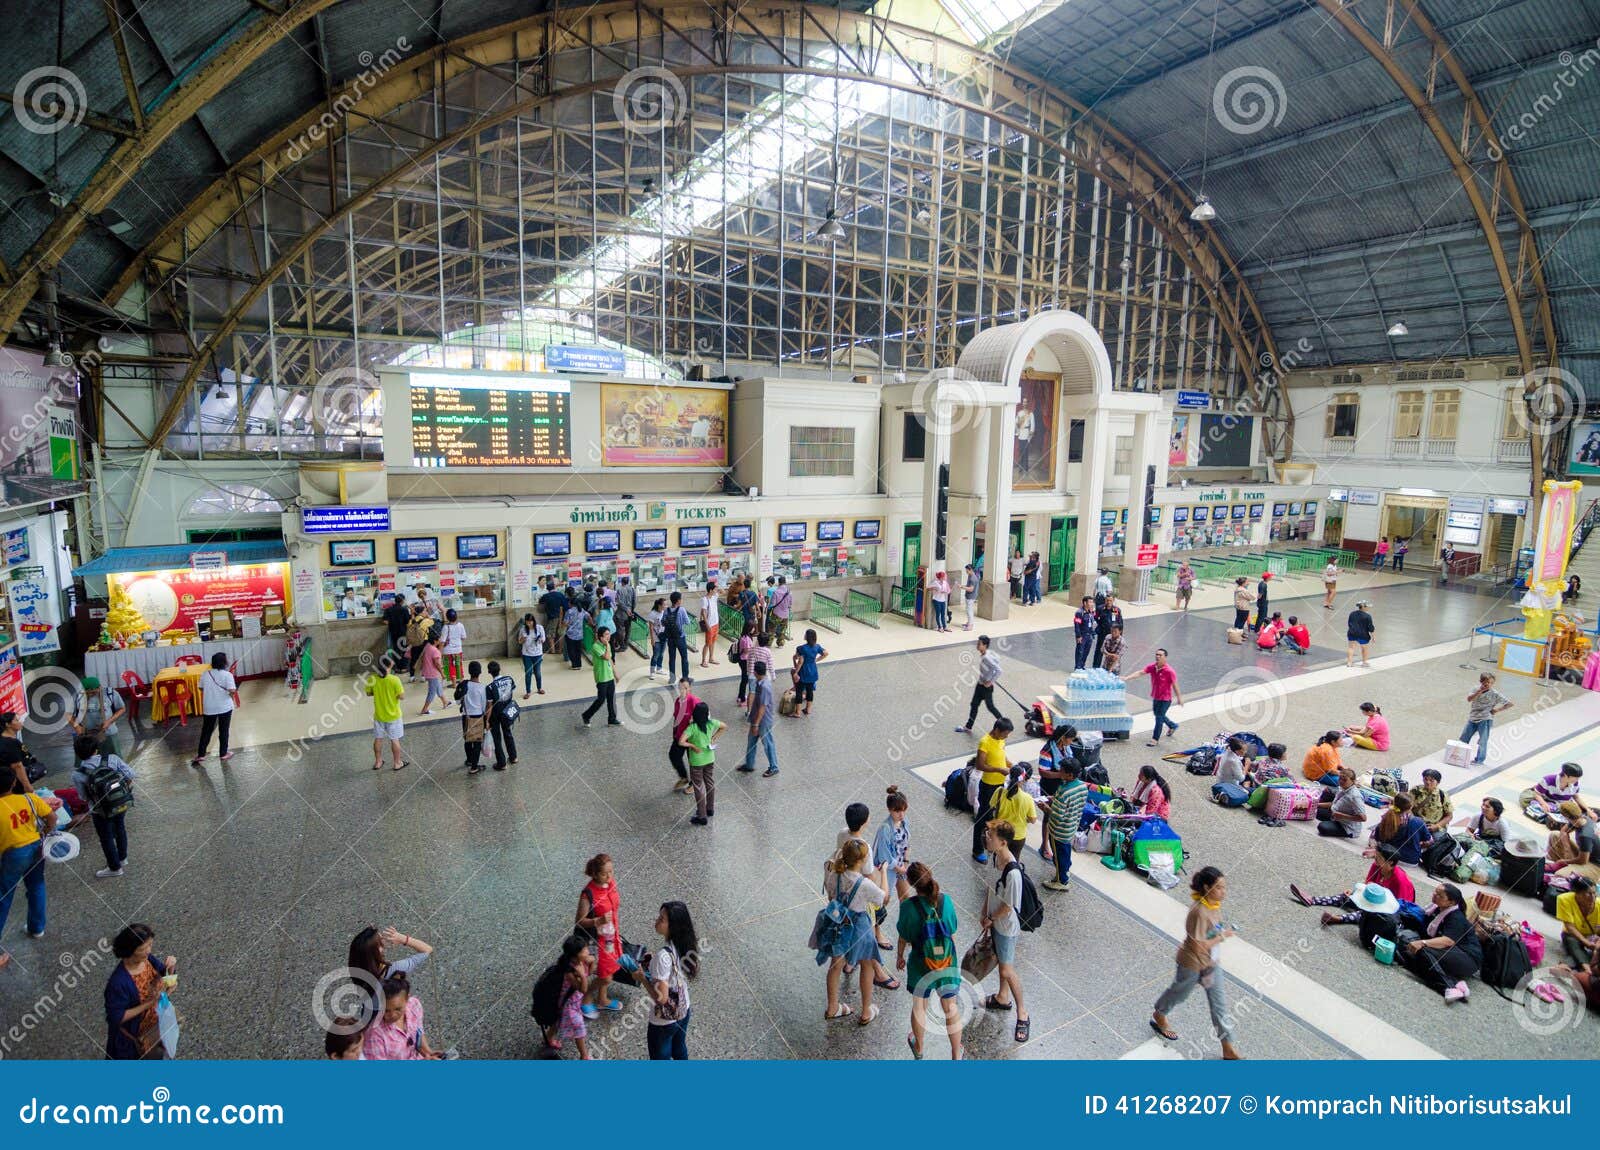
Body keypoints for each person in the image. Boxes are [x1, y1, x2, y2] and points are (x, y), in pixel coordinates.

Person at [1150, 866, 1241, 1059]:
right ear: (1207, 887)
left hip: (1210, 966)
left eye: (1224, 887)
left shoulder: (1214, 905)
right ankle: (1160, 1013)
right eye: (1219, 888)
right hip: (1192, 964)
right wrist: (1222, 937)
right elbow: (1199, 946)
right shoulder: (1199, 912)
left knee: (1219, 1005)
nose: (1223, 892)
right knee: (1179, 993)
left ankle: (1228, 1047)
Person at [895, 861, 962, 1059]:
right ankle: (956, 1053)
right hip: (946, 962)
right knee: (950, 1006)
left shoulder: (908, 906)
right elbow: (952, 928)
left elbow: (904, 936)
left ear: (911, 883)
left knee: (919, 1007)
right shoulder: (946, 901)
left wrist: (899, 956)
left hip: (920, 963)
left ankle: (919, 1047)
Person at [819, 839, 886, 1024]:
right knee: (867, 964)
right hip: (859, 926)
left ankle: (833, 1007)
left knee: (835, 965)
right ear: (862, 861)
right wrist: (884, 875)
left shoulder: (835, 874)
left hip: (838, 923)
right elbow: (882, 898)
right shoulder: (864, 884)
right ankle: (866, 1011)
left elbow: (831, 894)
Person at [980, 820, 1030, 1043]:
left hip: (1006, 927)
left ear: (1002, 842)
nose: (987, 838)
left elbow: (1009, 905)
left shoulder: (1013, 873)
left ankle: (1023, 1014)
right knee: (1001, 964)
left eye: (990, 836)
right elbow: (992, 888)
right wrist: (984, 912)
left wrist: (991, 918)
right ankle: (1002, 997)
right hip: (995, 922)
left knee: (1008, 970)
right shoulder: (995, 859)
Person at [1291, 842, 1414, 927]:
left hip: (1389, 911)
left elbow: (1399, 907)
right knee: (1345, 897)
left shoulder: (1400, 880)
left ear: (1391, 863)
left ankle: (1338, 918)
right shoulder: (1376, 866)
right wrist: (1355, 892)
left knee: (1366, 913)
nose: (1375, 858)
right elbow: (1367, 885)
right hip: (1371, 901)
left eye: (1379, 857)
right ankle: (1312, 899)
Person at [104, 924, 177, 1058]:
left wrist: (171, 968)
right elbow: (116, 1017)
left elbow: (166, 978)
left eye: (150, 945)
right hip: (136, 1039)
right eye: (143, 948)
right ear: (129, 951)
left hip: (157, 1026)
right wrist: (148, 1004)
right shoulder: (118, 983)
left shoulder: (147, 959)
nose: (149, 951)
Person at [0, 773, 50, 968]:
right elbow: (51, 817)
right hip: (35, 847)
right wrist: (46, 832)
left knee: (4, 896)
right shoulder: (30, 799)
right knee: (37, 885)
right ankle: (37, 928)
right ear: (13, 783)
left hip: (11, 855)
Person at [1402, 883, 1481, 1002]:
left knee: (1423, 951)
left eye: (1440, 895)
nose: (1435, 896)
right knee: (1408, 948)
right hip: (1450, 953)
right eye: (1435, 892)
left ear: (1451, 902)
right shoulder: (1435, 909)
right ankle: (1455, 981)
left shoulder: (1456, 917)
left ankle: (1451, 987)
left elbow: (1447, 941)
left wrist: (1422, 942)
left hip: (1467, 958)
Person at [71, 734, 135, 878]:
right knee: (120, 828)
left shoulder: (78, 774)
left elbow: (83, 797)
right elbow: (131, 774)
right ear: (96, 750)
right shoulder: (112, 759)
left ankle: (114, 868)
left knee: (106, 837)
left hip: (99, 810)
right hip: (120, 802)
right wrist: (122, 791)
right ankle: (122, 858)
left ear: (78, 754)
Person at [644, 901, 698, 1059]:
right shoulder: (685, 943)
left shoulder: (663, 956)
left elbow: (662, 999)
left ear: (672, 926)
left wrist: (641, 978)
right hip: (684, 1009)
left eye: (661, 919)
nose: (656, 921)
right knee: (679, 1047)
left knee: (660, 1055)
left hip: (664, 1021)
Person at [576, 854, 624, 1018]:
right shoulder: (587, 894)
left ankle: (602, 999)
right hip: (597, 941)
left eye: (611, 871)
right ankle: (586, 998)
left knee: (610, 968)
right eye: (605, 873)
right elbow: (580, 921)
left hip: (611, 935)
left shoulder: (610, 883)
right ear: (595, 874)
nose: (609, 876)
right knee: (606, 976)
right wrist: (599, 920)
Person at [362, 973, 444, 1059]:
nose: (392, 1015)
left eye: (398, 1009)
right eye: (386, 1010)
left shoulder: (414, 1005)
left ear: (407, 999)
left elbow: (418, 1033)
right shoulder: (374, 1036)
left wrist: (429, 1053)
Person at [532, 935, 591, 1053]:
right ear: (575, 955)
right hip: (568, 1004)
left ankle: (549, 1039)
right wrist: (583, 976)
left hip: (569, 1000)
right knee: (579, 1027)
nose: (588, 951)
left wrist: (589, 964)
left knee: (557, 1020)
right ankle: (584, 1056)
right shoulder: (570, 973)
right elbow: (583, 990)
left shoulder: (574, 961)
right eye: (584, 950)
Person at [970, 717, 1012, 862]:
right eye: (1005, 734)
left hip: (1000, 785)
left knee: (994, 817)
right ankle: (977, 849)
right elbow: (980, 765)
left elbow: (1003, 757)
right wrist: (998, 770)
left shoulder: (1001, 740)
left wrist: (1010, 765)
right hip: (988, 785)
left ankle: (991, 843)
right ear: (996, 730)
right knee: (982, 818)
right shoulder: (985, 742)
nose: (1006, 737)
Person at [1042, 760, 1088, 892]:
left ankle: (1061, 880)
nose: (1059, 772)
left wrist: (1046, 808)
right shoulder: (1082, 786)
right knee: (1065, 852)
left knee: (1058, 855)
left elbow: (1057, 815)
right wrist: (1054, 799)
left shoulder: (1064, 791)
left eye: (1062, 770)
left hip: (1058, 831)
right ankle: (1066, 870)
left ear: (1070, 775)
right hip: (1071, 827)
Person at [1124, 648, 1181, 748]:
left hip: (1165, 699)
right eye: (1156, 655)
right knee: (1158, 715)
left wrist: (1179, 698)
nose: (1157, 656)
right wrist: (1127, 678)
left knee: (1159, 718)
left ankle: (1155, 739)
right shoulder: (1153, 667)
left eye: (1160, 655)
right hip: (1156, 696)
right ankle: (1173, 725)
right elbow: (1141, 672)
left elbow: (1175, 685)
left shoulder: (1169, 671)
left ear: (1165, 657)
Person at [679, 701, 723, 826]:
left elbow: (681, 742)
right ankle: (710, 809)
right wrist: (714, 737)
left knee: (698, 787)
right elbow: (724, 726)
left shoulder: (692, 728)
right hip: (710, 758)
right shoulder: (711, 723)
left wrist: (692, 745)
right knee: (709, 782)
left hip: (696, 762)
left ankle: (702, 816)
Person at [191, 651, 238, 767]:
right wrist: (231, 697)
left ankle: (201, 754)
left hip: (209, 706)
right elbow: (232, 690)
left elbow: (201, 688)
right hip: (224, 707)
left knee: (206, 730)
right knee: (224, 730)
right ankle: (223, 753)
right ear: (224, 663)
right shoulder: (228, 675)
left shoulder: (205, 674)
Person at [363, 653, 408, 772]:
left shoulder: (372, 679)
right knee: (394, 739)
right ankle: (397, 763)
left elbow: (368, 693)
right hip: (393, 716)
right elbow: (402, 696)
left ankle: (378, 762)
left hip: (379, 715)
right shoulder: (394, 680)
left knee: (378, 738)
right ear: (391, 664)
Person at [735, 659, 779, 777]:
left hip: (763, 720)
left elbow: (763, 707)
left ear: (755, 673)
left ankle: (774, 766)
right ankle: (749, 765)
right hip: (756, 718)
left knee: (768, 743)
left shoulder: (764, 686)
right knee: (751, 741)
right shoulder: (761, 683)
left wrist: (755, 724)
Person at [984, 765, 1038, 856]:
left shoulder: (999, 791)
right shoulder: (1027, 798)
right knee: (1013, 860)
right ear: (1023, 778)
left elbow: (992, 805)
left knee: (999, 856)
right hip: (1018, 836)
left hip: (1001, 833)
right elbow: (1033, 820)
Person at [1460, 672, 1512, 765]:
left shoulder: (1495, 694)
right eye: (1486, 682)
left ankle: (1479, 760)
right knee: (1464, 737)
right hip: (1473, 717)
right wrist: (1478, 692)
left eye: (1491, 683)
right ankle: (1460, 756)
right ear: (1481, 681)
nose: (1488, 684)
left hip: (1485, 719)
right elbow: (1469, 699)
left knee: (1483, 740)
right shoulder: (1475, 689)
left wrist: (1497, 710)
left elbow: (1509, 704)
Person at [956, 634, 1004, 734]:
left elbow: (999, 670)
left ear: (985, 645)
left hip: (986, 688)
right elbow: (997, 661)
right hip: (980, 685)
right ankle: (968, 727)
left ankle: (1003, 724)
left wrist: (991, 681)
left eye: (979, 644)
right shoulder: (988, 653)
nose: (977, 645)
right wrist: (990, 676)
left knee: (990, 707)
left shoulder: (987, 657)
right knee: (974, 704)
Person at [72, 676, 127, 757]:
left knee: (113, 758)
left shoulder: (110, 693)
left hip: (108, 733)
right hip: (85, 736)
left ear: (99, 687)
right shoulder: (77, 696)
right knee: (88, 760)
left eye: (93, 692)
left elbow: (122, 708)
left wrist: (109, 721)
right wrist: (77, 727)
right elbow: (69, 714)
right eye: (87, 693)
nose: (90, 695)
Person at [1370, 792, 1430, 865]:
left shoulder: (1387, 817)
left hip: (1389, 856)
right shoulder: (1418, 821)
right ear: (1411, 807)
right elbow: (1429, 841)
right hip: (1410, 860)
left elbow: (1375, 836)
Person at [579, 627, 620, 728]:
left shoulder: (608, 645)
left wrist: (615, 674)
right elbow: (606, 657)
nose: (608, 636)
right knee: (601, 699)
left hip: (609, 676)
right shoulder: (595, 647)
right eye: (606, 634)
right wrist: (606, 645)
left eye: (609, 634)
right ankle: (586, 715)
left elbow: (610, 660)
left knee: (611, 698)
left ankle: (612, 719)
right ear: (600, 637)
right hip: (601, 677)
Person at [1556, 878, 1600, 970]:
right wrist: (1587, 943)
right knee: (1571, 941)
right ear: (1577, 893)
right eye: (1588, 893)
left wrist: (1597, 944)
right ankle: (1587, 969)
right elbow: (1570, 927)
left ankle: (1570, 965)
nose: (1593, 897)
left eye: (1594, 893)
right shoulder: (1564, 899)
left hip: (1593, 936)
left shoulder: (1598, 904)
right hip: (1573, 934)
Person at [1552, 802, 1600, 883]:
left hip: (1594, 864)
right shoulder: (1582, 818)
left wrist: (1564, 861)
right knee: (1555, 835)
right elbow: (1564, 831)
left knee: (1559, 875)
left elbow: (1583, 861)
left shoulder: (1585, 835)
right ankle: (1568, 866)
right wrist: (1567, 849)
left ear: (1565, 816)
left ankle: (1591, 876)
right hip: (1584, 854)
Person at [454, 660, 489, 772]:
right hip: (478, 716)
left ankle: (469, 760)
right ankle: (474, 767)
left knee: (467, 740)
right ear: (480, 672)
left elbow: (458, 702)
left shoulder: (464, 685)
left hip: (466, 716)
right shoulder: (482, 688)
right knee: (477, 742)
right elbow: (484, 706)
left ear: (469, 672)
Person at [667, 677, 700, 794]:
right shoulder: (677, 701)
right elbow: (676, 718)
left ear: (689, 688)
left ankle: (694, 784)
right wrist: (674, 731)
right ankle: (684, 777)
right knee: (673, 755)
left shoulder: (695, 702)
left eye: (685, 688)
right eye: (680, 688)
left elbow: (705, 718)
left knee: (693, 761)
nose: (682, 690)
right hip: (680, 736)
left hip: (692, 738)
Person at [1316, 767, 1367, 838]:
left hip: (1346, 826)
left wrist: (1342, 816)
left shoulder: (1355, 796)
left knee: (1322, 827)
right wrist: (1316, 804)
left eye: (1345, 780)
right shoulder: (1342, 788)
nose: (1341, 781)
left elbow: (1363, 818)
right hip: (1335, 816)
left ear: (1353, 781)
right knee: (1314, 811)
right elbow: (1333, 804)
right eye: (1340, 779)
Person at [485, 660, 518, 770]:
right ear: (499, 669)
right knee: (508, 733)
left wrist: (487, 720)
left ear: (489, 672)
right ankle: (513, 757)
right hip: (507, 711)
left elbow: (489, 706)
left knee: (497, 738)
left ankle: (502, 763)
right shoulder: (509, 679)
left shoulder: (489, 687)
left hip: (495, 714)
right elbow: (512, 690)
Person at [792, 629, 827, 716]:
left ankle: (797, 712)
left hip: (803, 671)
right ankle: (808, 709)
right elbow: (826, 653)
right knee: (810, 691)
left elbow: (800, 662)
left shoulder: (801, 648)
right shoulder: (817, 646)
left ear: (807, 637)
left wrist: (796, 673)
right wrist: (816, 660)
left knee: (799, 691)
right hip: (813, 671)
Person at [1410, 769, 1453, 834]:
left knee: (1439, 842)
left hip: (1434, 826)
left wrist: (1437, 826)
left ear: (1438, 782)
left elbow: (1449, 816)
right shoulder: (1416, 790)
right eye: (1425, 779)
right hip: (1415, 823)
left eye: (1431, 780)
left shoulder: (1443, 795)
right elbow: (1407, 808)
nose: (1428, 782)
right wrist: (1413, 820)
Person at [661, 591, 691, 681]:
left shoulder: (666, 610)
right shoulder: (682, 610)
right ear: (678, 601)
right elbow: (687, 622)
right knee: (684, 658)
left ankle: (672, 678)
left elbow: (663, 622)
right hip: (680, 637)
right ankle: (685, 678)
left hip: (670, 638)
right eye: (680, 599)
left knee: (672, 658)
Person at [517, 613, 546, 699]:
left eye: (531, 622)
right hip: (526, 654)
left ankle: (539, 688)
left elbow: (543, 639)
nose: (529, 624)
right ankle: (528, 691)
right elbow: (519, 641)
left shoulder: (540, 628)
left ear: (533, 621)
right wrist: (523, 639)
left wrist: (540, 639)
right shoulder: (523, 629)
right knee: (528, 673)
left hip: (537, 654)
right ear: (525, 622)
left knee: (537, 672)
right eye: (527, 622)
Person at [0, 712, 28, 794]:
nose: (21, 722)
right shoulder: (10, 742)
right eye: (17, 720)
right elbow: (17, 766)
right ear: (8, 724)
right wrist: (27, 786)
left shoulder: (5, 738)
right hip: (15, 782)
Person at [417, 634, 445, 715]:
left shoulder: (427, 646)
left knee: (438, 687)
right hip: (433, 674)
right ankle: (424, 710)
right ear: (435, 641)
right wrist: (442, 674)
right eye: (439, 640)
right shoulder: (435, 651)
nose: (440, 641)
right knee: (432, 692)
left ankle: (445, 702)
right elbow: (437, 664)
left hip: (427, 672)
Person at [439, 608, 467, 685]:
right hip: (458, 650)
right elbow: (464, 637)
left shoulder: (445, 627)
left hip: (447, 651)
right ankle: (461, 681)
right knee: (459, 664)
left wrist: (439, 652)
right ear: (456, 616)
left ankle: (454, 684)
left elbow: (442, 642)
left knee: (449, 666)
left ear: (447, 617)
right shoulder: (460, 625)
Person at [1094, 594, 1123, 666]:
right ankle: (1096, 667)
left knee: (1113, 652)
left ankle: (1110, 668)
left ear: (1113, 600)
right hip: (1102, 633)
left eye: (1110, 600)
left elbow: (1120, 622)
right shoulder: (1100, 608)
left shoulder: (1117, 610)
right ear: (1105, 600)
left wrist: (1120, 634)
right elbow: (1096, 618)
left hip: (1113, 635)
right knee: (1099, 650)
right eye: (1107, 600)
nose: (1109, 602)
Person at [1346, 599, 1375, 667]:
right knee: (1364, 648)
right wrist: (1373, 637)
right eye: (1367, 606)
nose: (1369, 607)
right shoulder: (1367, 616)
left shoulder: (1352, 613)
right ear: (1363, 607)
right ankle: (1364, 662)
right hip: (1363, 635)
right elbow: (1370, 627)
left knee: (1351, 647)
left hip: (1352, 633)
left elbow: (1349, 623)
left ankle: (1349, 662)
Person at [382, 595, 411, 659]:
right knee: (403, 649)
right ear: (402, 601)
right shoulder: (404, 610)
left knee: (394, 648)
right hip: (402, 632)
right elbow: (407, 622)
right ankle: (402, 667)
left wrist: (392, 622)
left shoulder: (388, 610)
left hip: (393, 632)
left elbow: (385, 622)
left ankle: (396, 665)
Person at [699, 581, 720, 669]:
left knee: (713, 642)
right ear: (711, 590)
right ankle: (703, 660)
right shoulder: (705, 599)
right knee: (707, 643)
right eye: (715, 589)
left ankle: (711, 658)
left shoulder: (714, 597)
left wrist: (717, 586)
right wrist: (707, 624)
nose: (716, 590)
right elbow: (703, 612)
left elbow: (723, 592)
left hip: (716, 623)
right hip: (710, 624)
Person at [1072, 597, 1097, 671]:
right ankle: (1078, 667)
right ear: (1085, 603)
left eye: (1092, 602)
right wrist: (1078, 636)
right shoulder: (1079, 612)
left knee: (1086, 651)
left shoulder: (1091, 612)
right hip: (1082, 635)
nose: (1092, 604)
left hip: (1089, 635)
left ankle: (1082, 666)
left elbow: (1093, 622)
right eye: (1090, 602)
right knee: (1080, 651)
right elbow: (1077, 625)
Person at [562, 596, 587, 670]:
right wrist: (592, 624)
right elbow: (588, 616)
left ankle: (574, 664)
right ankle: (579, 664)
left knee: (571, 650)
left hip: (570, 634)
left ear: (571, 603)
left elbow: (565, 623)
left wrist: (564, 624)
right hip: (580, 634)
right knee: (578, 650)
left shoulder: (569, 611)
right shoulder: (581, 610)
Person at [646, 598, 667, 677]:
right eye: (664, 604)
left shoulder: (664, 612)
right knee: (656, 655)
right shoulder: (652, 614)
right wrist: (652, 639)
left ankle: (659, 668)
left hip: (664, 637)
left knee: (661, 654)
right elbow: (651, 627)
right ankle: (652, 672)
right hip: (656, 638)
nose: (666, 606)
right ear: (659, 605)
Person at [770, 576, 793, 646]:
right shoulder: (789, 592)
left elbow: (772, 604)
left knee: (772, 629)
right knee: (782, 630)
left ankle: (769, 643)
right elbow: (790, 604)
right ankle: (780, 643)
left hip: (776, 614)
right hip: (785, 615)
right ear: (785, 582)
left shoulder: (776, 592)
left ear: (779, 582)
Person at [961, 564, 979, 630]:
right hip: (968, 596)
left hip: (971, 597)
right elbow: (968, 585)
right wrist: (963, 586)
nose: (966, 572)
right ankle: (969, 623)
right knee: (968, 610)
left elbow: (971, 589)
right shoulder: (970, 576)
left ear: (970, 570)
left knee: (969, 611)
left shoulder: (972, 578)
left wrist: (962, 587)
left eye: (967, 570)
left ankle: (970, 625)